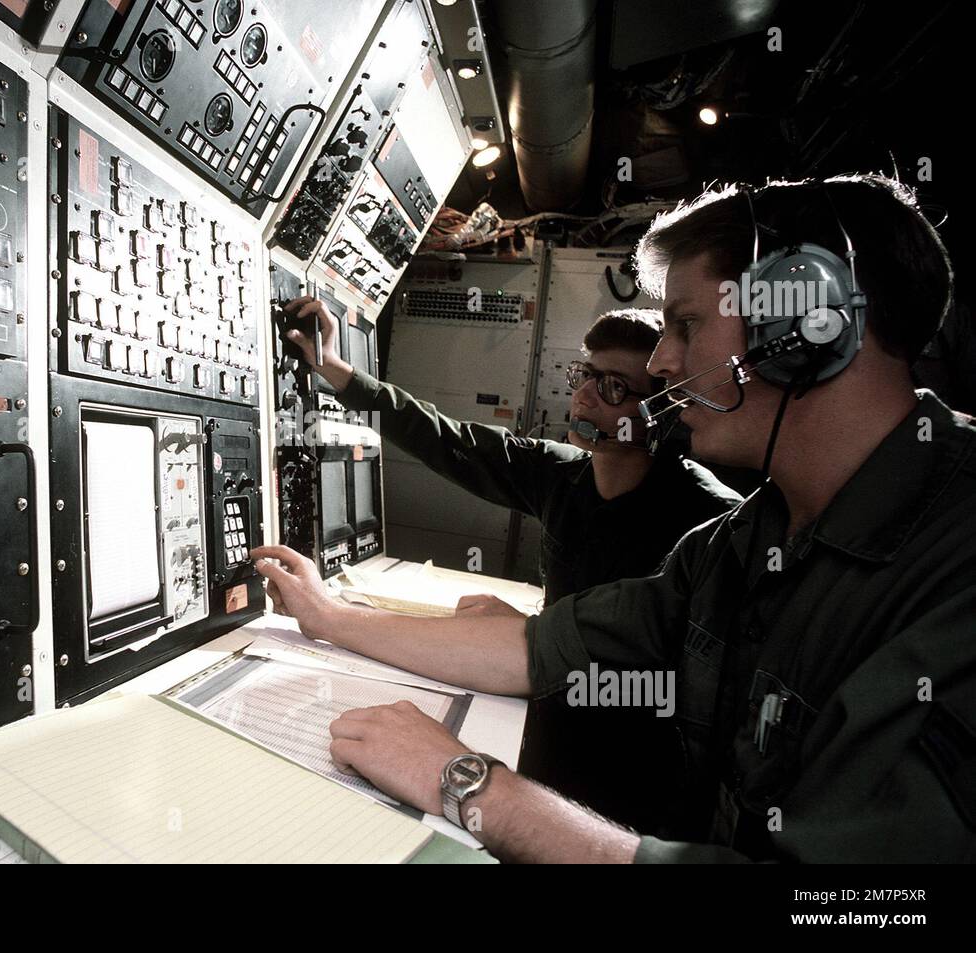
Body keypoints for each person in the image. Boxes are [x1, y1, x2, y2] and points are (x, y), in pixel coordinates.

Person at [254, 174, 975, 862]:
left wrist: (472, 784)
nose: (664, 364)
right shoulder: (742, 543)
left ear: (803, 323)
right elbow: (539, 649)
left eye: (687, 325)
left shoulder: (953, 571)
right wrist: (327, 618)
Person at [279, 302, 740, 825]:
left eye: (613, 387)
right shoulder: (565, 474)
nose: (585, 394)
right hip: (545, 687)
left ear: (662, 411)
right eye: (585, 374)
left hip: (630, 766)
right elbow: (448, 440)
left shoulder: (710, 520)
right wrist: (336, 370)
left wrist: (532, 637)